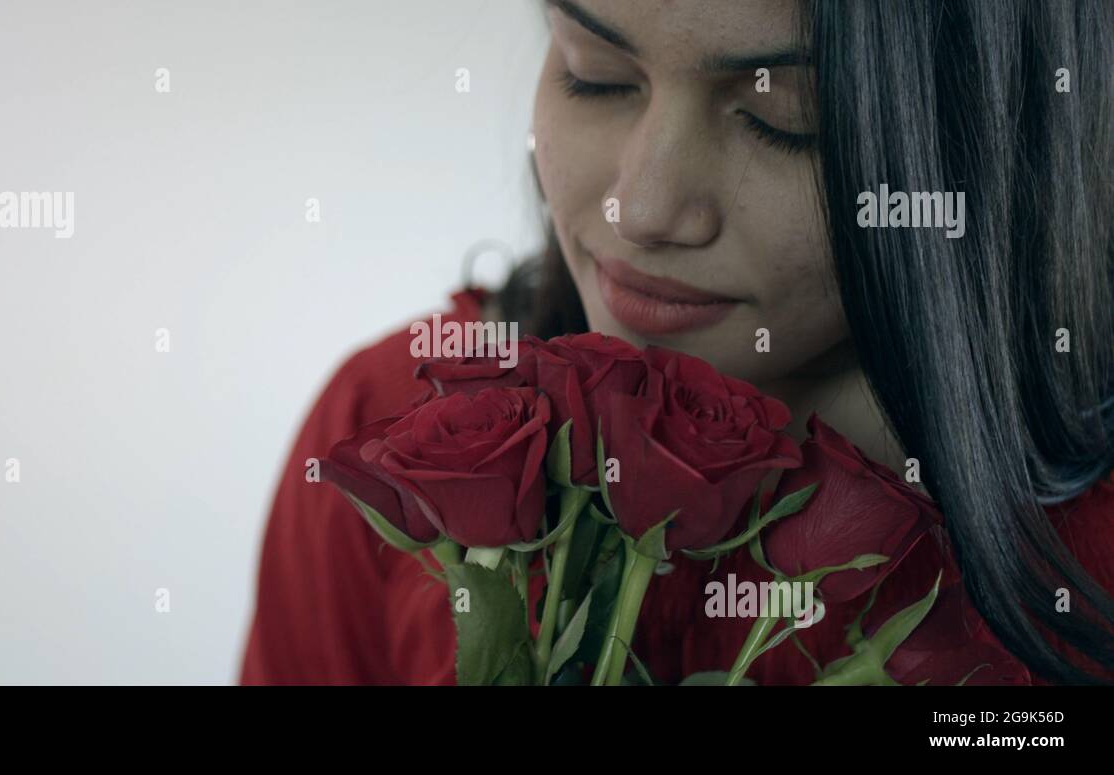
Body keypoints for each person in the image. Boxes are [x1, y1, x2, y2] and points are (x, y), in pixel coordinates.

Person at [241, 0, 1114, 685]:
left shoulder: (1085, 562)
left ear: (996, 126)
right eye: (594, 74)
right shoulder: (406, 433)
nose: (644, 209)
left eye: (784, 115)